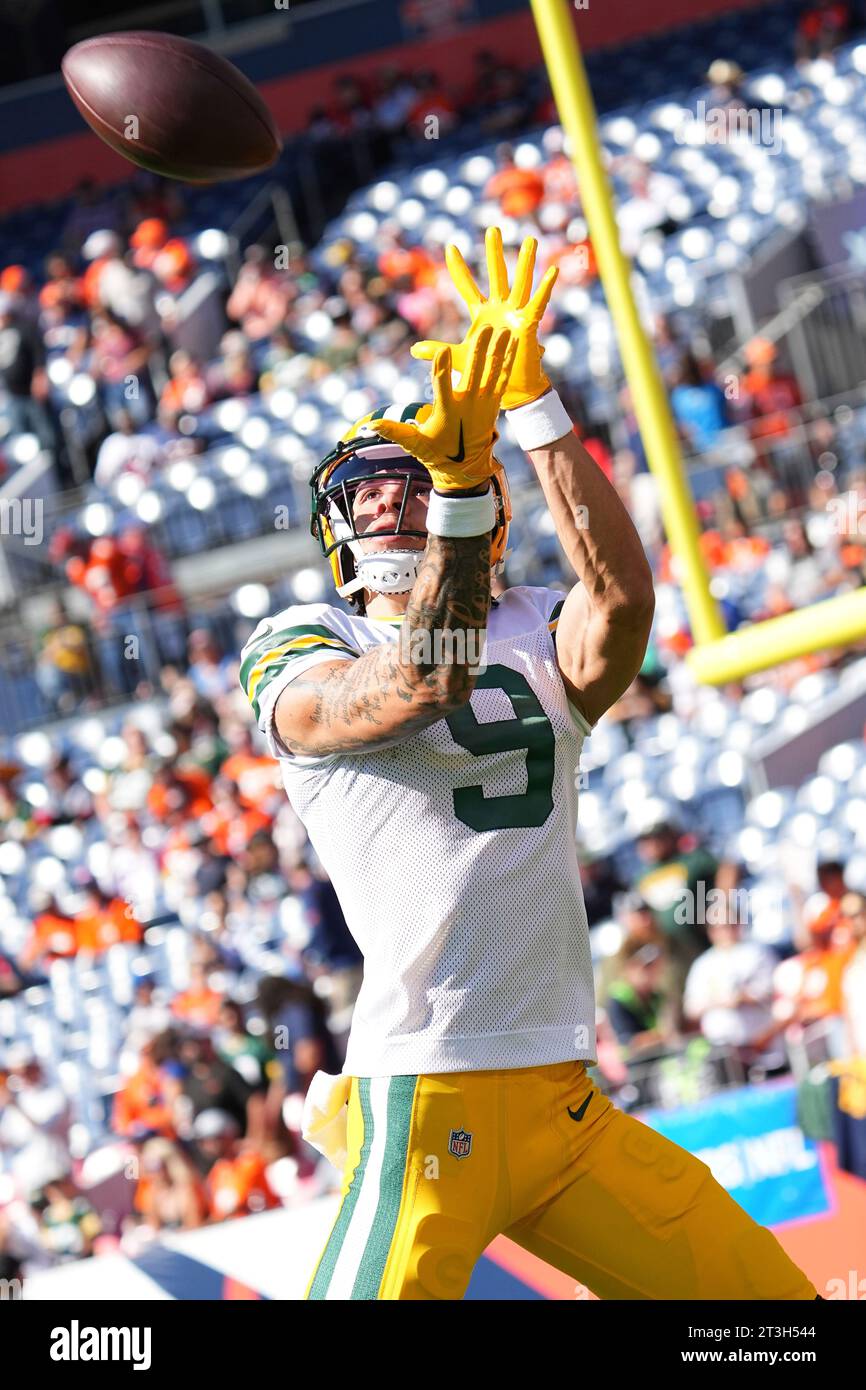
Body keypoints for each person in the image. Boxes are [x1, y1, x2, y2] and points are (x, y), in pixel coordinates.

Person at [239, 227, 817, 1301]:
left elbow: (624, 606)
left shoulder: (531, 620)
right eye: (370, 490)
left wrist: (534, 409)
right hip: (422, 1099)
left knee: (771, 1314)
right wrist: (455, 490)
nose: (386, 502)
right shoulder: (305, 639)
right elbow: (419, 684)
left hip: (561, 1100)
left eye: (414, 481)